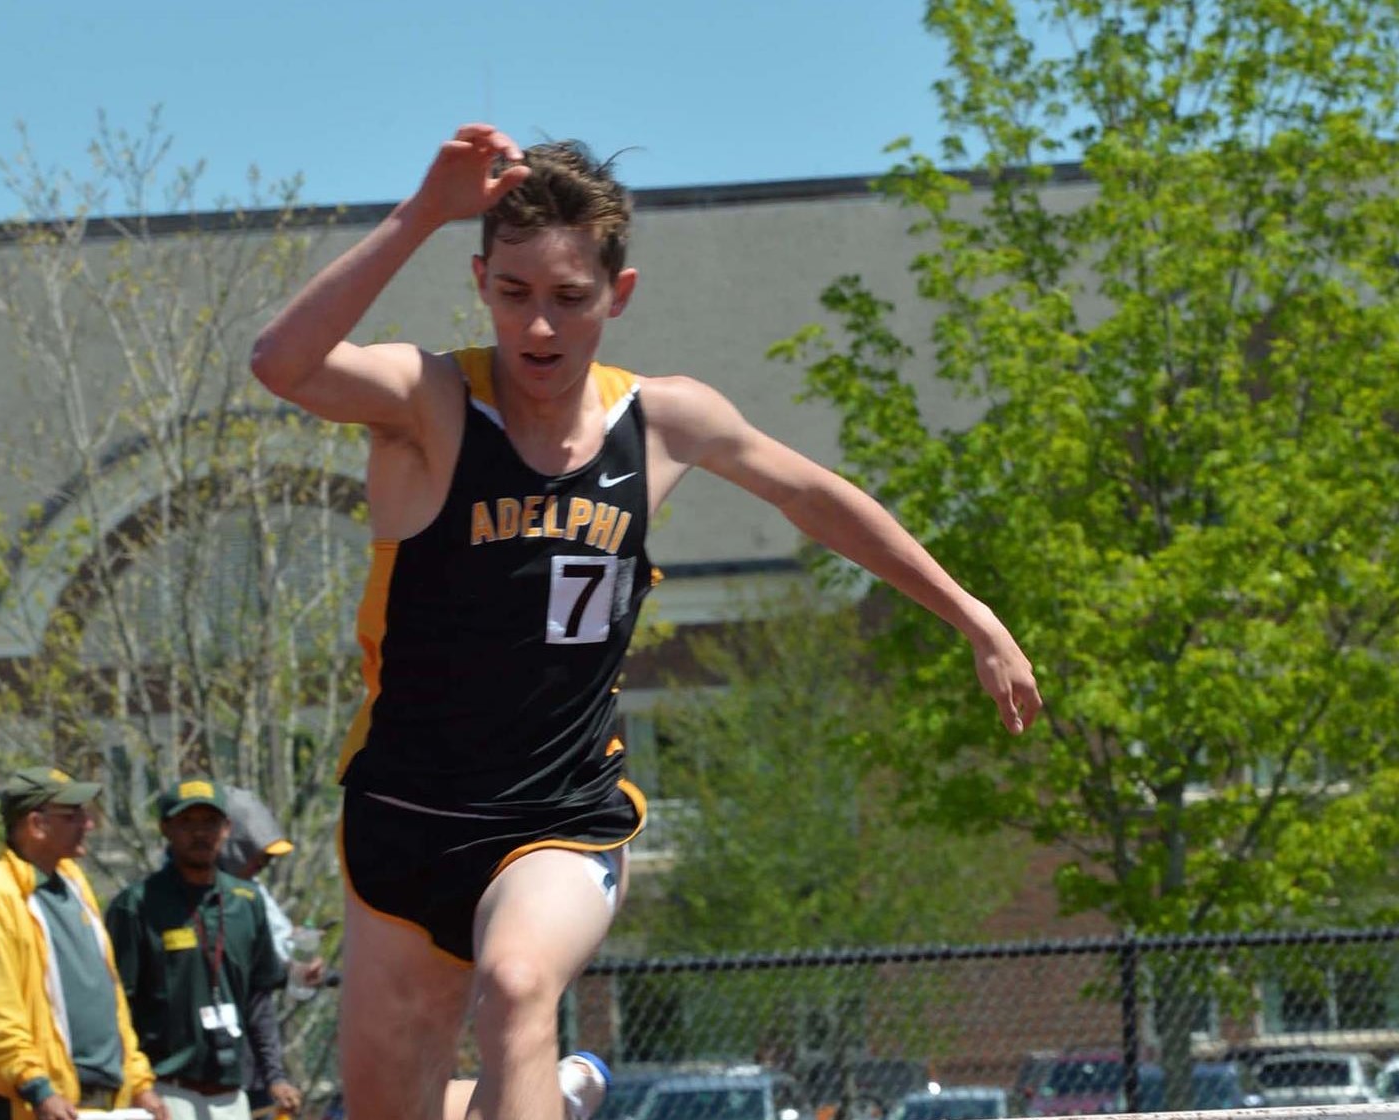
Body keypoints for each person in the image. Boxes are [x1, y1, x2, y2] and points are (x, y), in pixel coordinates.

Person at [247, 125, 1042, 1120]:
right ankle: (559, 1091)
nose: (540, 326)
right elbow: (280, 362)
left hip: (559, 818)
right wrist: (421, 214)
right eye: (514, 295)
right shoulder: (430, 402)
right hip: (403, 820)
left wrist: (971, 615)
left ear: (616, 296)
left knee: (518, 988)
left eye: (569, 298)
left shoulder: (661, 422)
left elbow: (812, 497)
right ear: (480, 280)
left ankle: (538, 1074)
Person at [0, 766, 169, 1120]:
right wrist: (38, 1089)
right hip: (30, 1107)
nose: (88, 823)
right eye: (72, 815)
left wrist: (140, 1084)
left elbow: (109, 999)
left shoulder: (74, 884)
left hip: (99, 1102)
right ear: (37, 825)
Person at [106, 778, 290, 1120]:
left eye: (210, 822)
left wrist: (275, 1076)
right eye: (187, 823)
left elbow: (259, 998)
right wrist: (138, 1086)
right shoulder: (136, 905)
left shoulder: (247, 902)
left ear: (227, 829)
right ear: (166, 829)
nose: (200, 833)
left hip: (231, 1095)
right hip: (165, 1091)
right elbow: (116, 1005)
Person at [214, 787, 319, 1117]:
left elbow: (264, 981)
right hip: (200, 1078)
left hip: (252, 1066)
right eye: (258, 856)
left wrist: (301, 965)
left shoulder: (252, 896)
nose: (262, 865)